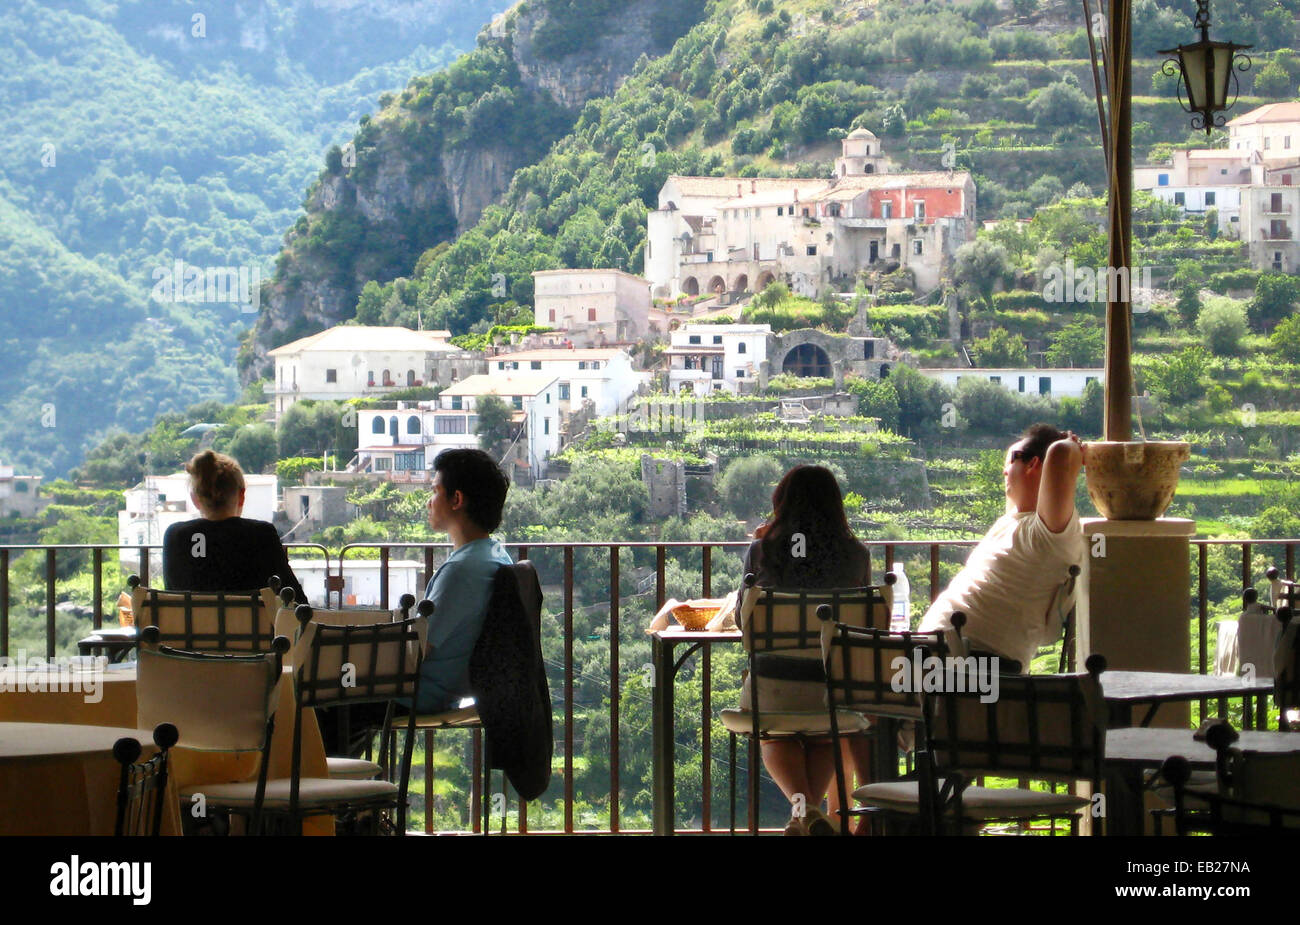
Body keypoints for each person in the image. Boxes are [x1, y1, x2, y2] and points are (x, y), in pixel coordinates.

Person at [738, 464, 872, 836]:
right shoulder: (857, 555)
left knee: (774, 734)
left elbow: (741, 620)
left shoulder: (762, 551)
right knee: (825, 734)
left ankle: (806, 810)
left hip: (773, 687)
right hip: (831, 687)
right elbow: (862, 629)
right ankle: (807, 815)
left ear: (782, 503)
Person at [918, 424, 1086, 673]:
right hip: (940, 660)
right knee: (863, 670)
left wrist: (1069, 445)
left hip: (977, 670)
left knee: (857, 667)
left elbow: (1060, 455)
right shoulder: (1012, 522)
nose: (1004, 471)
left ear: (1034, 465)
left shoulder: (1051, 534)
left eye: (1012, 460)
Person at [416, 448, 514, 713]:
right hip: (449, 691)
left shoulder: (461, 571)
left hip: (416, 694)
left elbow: (417, 648)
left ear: (456, 499)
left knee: (313, 704)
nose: (429, 502)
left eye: (435, 491)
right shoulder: (495, 555)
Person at [163, 450, 306, 602]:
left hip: (189, 625)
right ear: (241, 496)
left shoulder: (175, 535)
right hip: (251, 626)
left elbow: (172, 598)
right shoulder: (262, 534)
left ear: (195, 499)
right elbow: (296, 601)